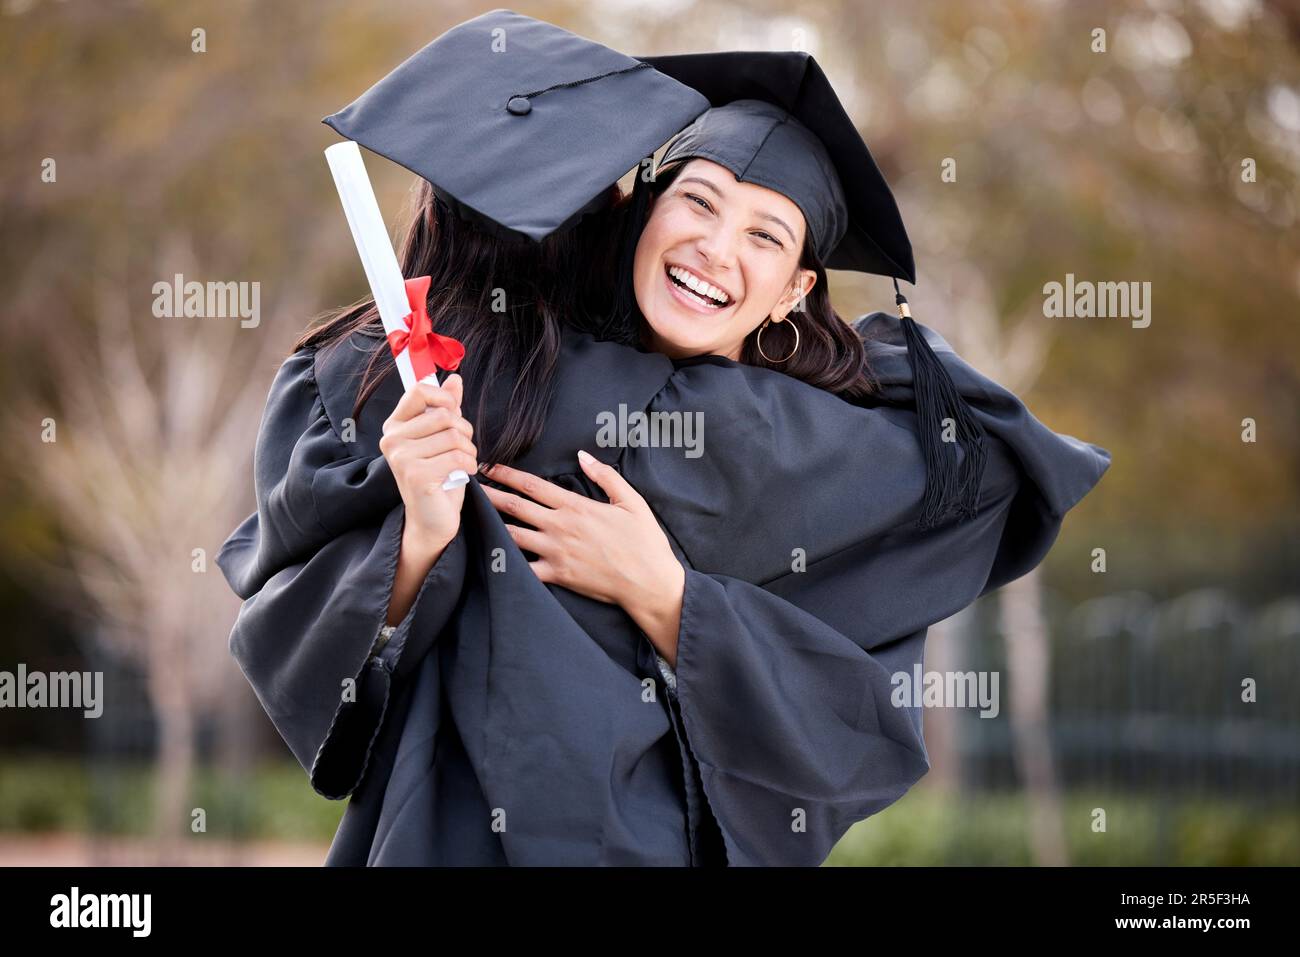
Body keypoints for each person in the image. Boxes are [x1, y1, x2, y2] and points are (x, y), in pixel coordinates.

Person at [216, 14, 1111, 865]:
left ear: (795, 289)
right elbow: (314, 649)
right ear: (643, 212)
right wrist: (419, 536)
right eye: (698, 201)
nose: (717, 248)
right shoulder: (486, 383)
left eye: (765, 235)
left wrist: (672, 599)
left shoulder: (821, 462)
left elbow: (850, 714)